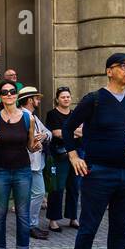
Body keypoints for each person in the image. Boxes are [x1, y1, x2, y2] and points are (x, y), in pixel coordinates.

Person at [66, 52, 125, 249]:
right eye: (123, 66)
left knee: (121, 227)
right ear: (109, 71)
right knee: (89, 226)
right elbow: (68, 127)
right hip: (98, 172)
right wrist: (74, 156)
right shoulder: (94, 99)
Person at [0, 80, 40, 249]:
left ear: (17, 95)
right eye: (5, 92)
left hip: (22, 170)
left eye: (12, 92)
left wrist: (38, 144)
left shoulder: (28, 118)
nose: (9, 94)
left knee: (23, 212)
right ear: (0, 96)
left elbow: (31, 147)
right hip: (0, 170)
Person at [18, 86, 52, 241]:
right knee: (35, 194)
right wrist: (35, 138)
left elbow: (48, 133)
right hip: (27, 162)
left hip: (37, 162)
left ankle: (31, 224)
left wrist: (43, 136)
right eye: (37, 98)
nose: (38, 100)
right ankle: (29, 225)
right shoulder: (23, 116)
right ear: (30, 100)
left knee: (35, 194)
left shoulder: (33, 116)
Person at [45, 86, 79, 232]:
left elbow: (83, 131)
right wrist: (73, 132)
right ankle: (53, 220)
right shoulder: (52, 114)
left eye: (68, 96)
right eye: (63, 97)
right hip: (60, 155)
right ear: (57, 99)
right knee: (57, 188)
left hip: (76, 155)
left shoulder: (75, 114)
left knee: (74, 187)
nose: (66, 99)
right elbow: (56, 133)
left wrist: (67, 131)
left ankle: (73, 218)